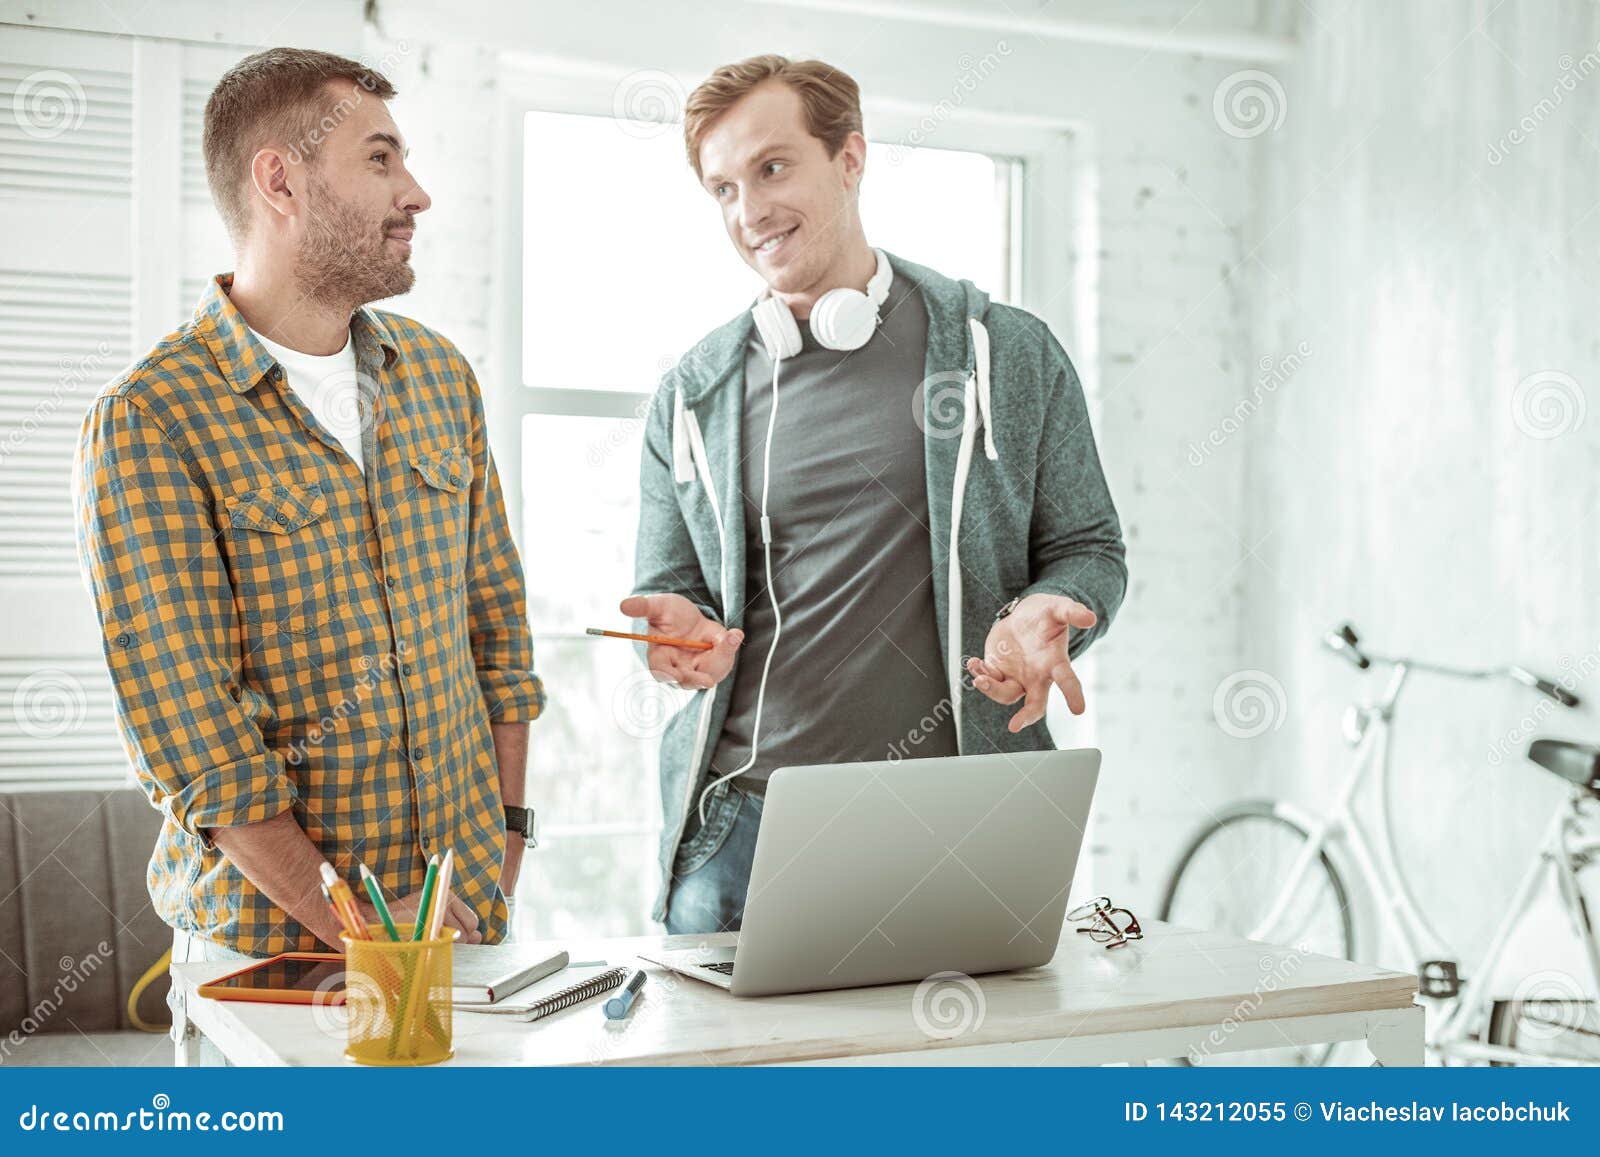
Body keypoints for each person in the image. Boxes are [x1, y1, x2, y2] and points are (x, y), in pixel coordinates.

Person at [625, 55, 1127, 935]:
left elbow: (1089, 545)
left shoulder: (1003, 355)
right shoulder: (692, 395)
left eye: (774, 168)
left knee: (953, 1077)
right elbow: (674, 586)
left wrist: (1055, 603)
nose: (750, 213)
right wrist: (676, 637)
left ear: (850, 157)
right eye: (724, 190)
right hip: (744, 831)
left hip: (961, 819)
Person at [72, 48, 543, 983]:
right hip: (275, 964)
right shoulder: (152, 418)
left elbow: (500, 640)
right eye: (380, 159)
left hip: (466, 936)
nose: (416, 193)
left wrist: (507, 842)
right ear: (280, 180)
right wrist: (360, 922)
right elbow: (196, 734)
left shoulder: (440, 378)